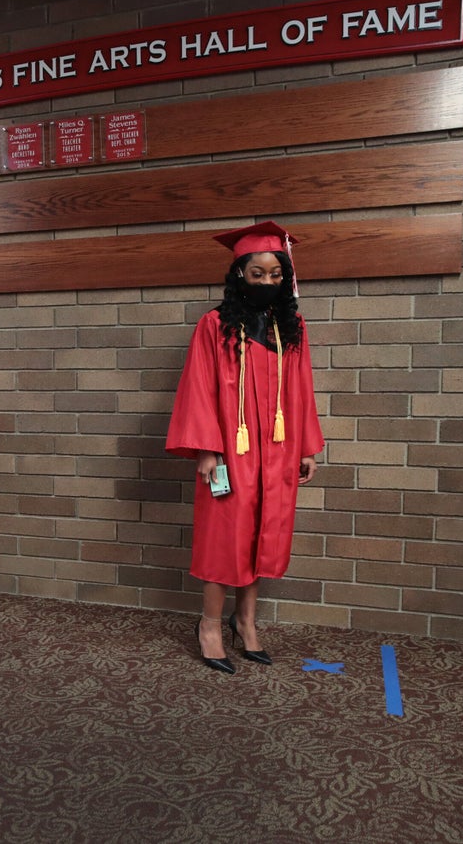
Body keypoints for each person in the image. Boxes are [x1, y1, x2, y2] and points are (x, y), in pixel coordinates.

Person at [166, 222, 324, 673]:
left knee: (261, 532)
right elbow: (199, 388)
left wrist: (306, 447)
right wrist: (206, 449)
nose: (268, 282)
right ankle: (210, 625)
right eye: (258, 274)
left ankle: (246, 622)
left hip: (276, 448)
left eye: (276, 274)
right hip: (230, 450)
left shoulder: (290, 326)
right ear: (239, 273)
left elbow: (301, 388)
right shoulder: (214, 326)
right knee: (224, 537)